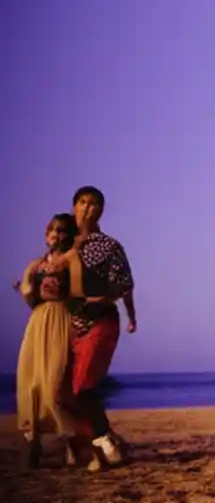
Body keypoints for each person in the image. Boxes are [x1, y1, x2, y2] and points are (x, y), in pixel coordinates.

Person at [63, 186, 135, 467]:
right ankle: (99, 443)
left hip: (101, 319)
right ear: (73, 207)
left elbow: (125, 284)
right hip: (70, 324)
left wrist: (104, 301)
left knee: (83, 384)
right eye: (82, 202)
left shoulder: (109, 246)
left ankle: (105, 441)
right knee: (65, 388)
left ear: (101, 210)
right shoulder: (64, 244)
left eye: (93, 204)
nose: (87, 208)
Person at [14, 214, 90, 469]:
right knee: (31, 381)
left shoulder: (72, 262)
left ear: (70, 236)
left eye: (62, 231)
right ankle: (32, 440)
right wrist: (26, 288)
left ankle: (72, 441)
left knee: (57, 382)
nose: (56, 235)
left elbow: (79, 295)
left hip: (62, 319)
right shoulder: (35, 265)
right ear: (46, 235)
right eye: (52, 231)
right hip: (38, 322)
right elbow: (28, 295)